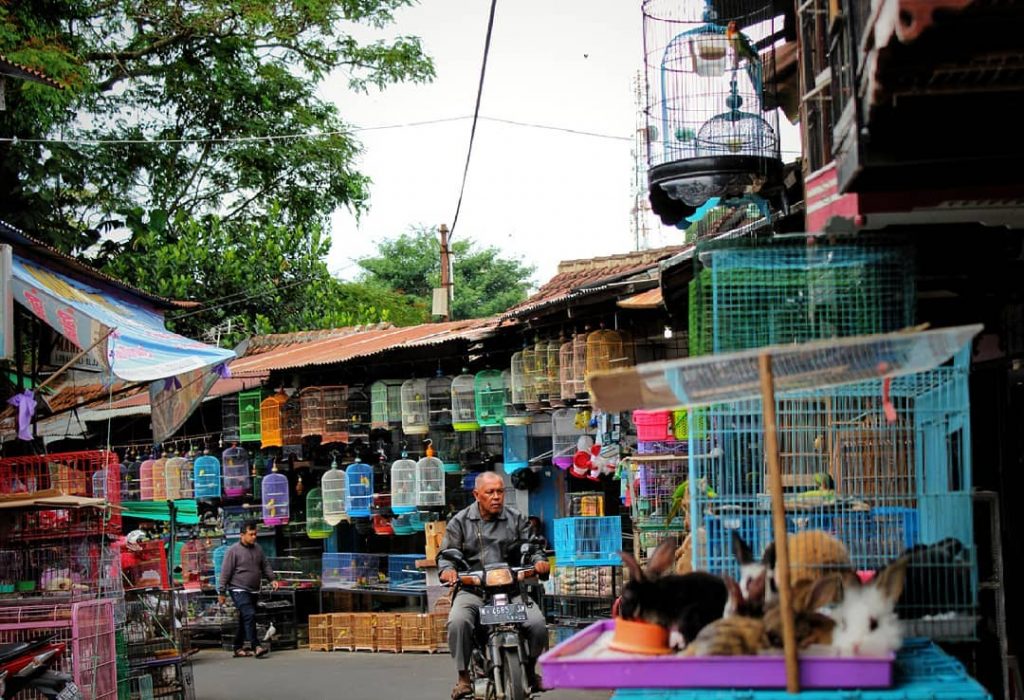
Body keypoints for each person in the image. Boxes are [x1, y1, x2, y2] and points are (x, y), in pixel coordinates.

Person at [439, 472, 551, 699]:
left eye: (500, 491)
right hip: (474, 590)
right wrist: (448, 570)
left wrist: (539, 561)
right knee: (458, 621)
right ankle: (463, 677)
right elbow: (446, 556)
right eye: (490, 492)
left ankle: (529, 671)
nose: (496, 497)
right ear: (476, 494)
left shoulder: (516, 518)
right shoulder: (459, 522)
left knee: (538, 624)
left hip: (511, 591)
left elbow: (533, 546)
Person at [217, 521, 279, 658]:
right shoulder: (233, 551)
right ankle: (256, 646)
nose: (254, 537)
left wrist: (272, 579)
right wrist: (221, 592)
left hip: (253, 590)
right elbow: (225, 572)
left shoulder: (258, 549)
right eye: (251, 534)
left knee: (244, 618)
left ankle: (238, 647)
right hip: (238, 589)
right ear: (242, 535)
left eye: (255, 534)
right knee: (250, 614)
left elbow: (265, 565)